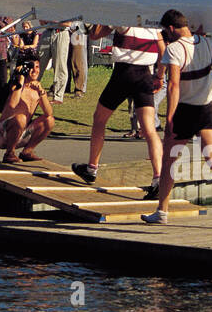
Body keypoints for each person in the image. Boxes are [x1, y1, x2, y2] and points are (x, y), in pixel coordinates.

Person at [143, 9, 212, 229]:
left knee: (169, 162)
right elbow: (200, 31)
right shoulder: (206, 43)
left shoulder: (174, 49)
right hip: (207, 108)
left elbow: (174, 85)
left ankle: (162, 211)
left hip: (185, 111)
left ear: (170, 29)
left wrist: (169, 118)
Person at [71, 25, 165, 200]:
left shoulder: (124, 18)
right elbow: (162, 47)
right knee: (150, 129)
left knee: (99, 119)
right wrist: (160, 76)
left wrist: (100, 20)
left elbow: (95, 35)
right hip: (144, 75)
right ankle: (158, 179)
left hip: (124, 74)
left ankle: (92, 168)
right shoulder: (152, 23)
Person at [0, 56, 55, 164]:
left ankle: (27, 151)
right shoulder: (14, 86)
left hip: (22, 131)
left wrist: (42, 92)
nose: (35, 70)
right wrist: (20, 80)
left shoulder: (37, 89)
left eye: (37, 67)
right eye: (31, 67)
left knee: (50, 120)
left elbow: (49, 113)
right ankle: (9, 153)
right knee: (21, 117)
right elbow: (12, 105)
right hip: (2, 134)